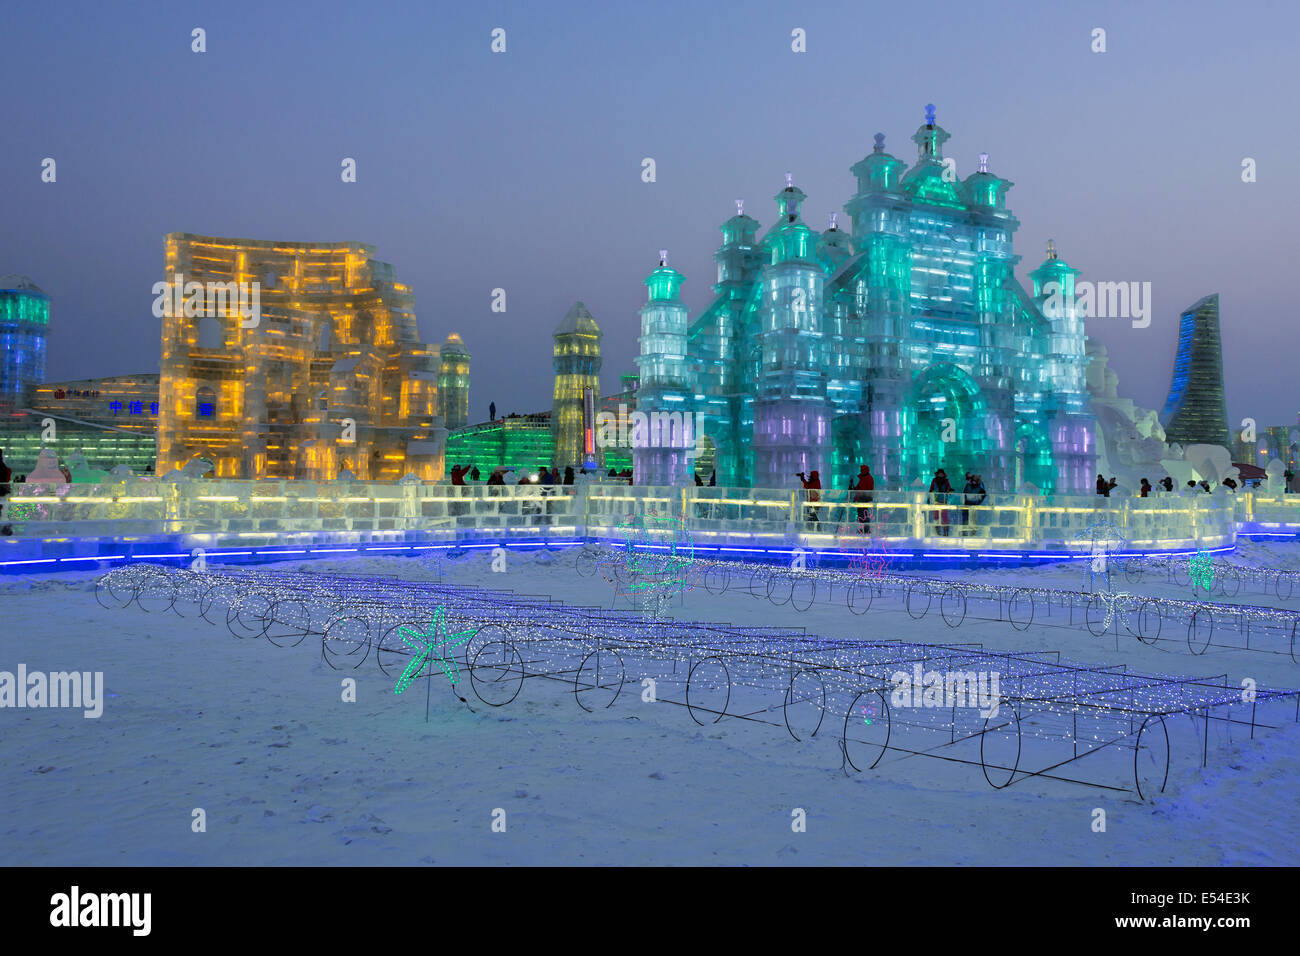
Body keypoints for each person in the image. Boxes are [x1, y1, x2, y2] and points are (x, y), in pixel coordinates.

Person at [929, 469, 952, 535]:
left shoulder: (946, 481)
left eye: (942, 473)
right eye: (939, 473)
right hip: (936, 501)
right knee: (936, 516)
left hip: (944, 501)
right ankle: (937, 532)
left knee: (944, 516)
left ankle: (946, 532)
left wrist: (949, 491)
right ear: (937, 474)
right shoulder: (934, 480)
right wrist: (929, 498)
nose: (940, 475)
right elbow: (931, 489)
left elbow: (949, 488)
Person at [852, 464, 874, 533]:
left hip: (863, 499)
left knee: (862, 515)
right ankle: (865, 529)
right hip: (864, 499)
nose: (860, 471)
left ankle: (864, 529)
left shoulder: (865, 478)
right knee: (864, 514)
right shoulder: (867, 478)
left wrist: (856, 495)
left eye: (861, 470)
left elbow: (861, 489)